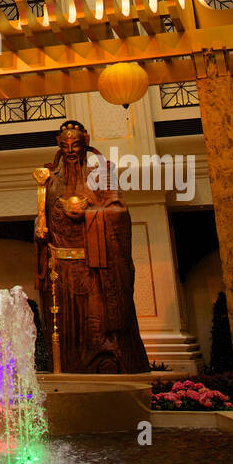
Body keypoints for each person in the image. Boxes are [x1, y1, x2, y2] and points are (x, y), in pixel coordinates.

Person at [34, 120, 149, 374]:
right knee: (68, 327)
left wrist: (89, 213)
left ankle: (106, 365)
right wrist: (39, 228)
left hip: (94, 266)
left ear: (85, 142)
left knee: (98, 323)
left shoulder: (102, 174)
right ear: (59, 146)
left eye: (75, 144)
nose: (70, 150)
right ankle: (70, 368)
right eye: (65, 145)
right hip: (61, 269)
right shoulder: (51, 180)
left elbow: (118, 211)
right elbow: (42, 215)